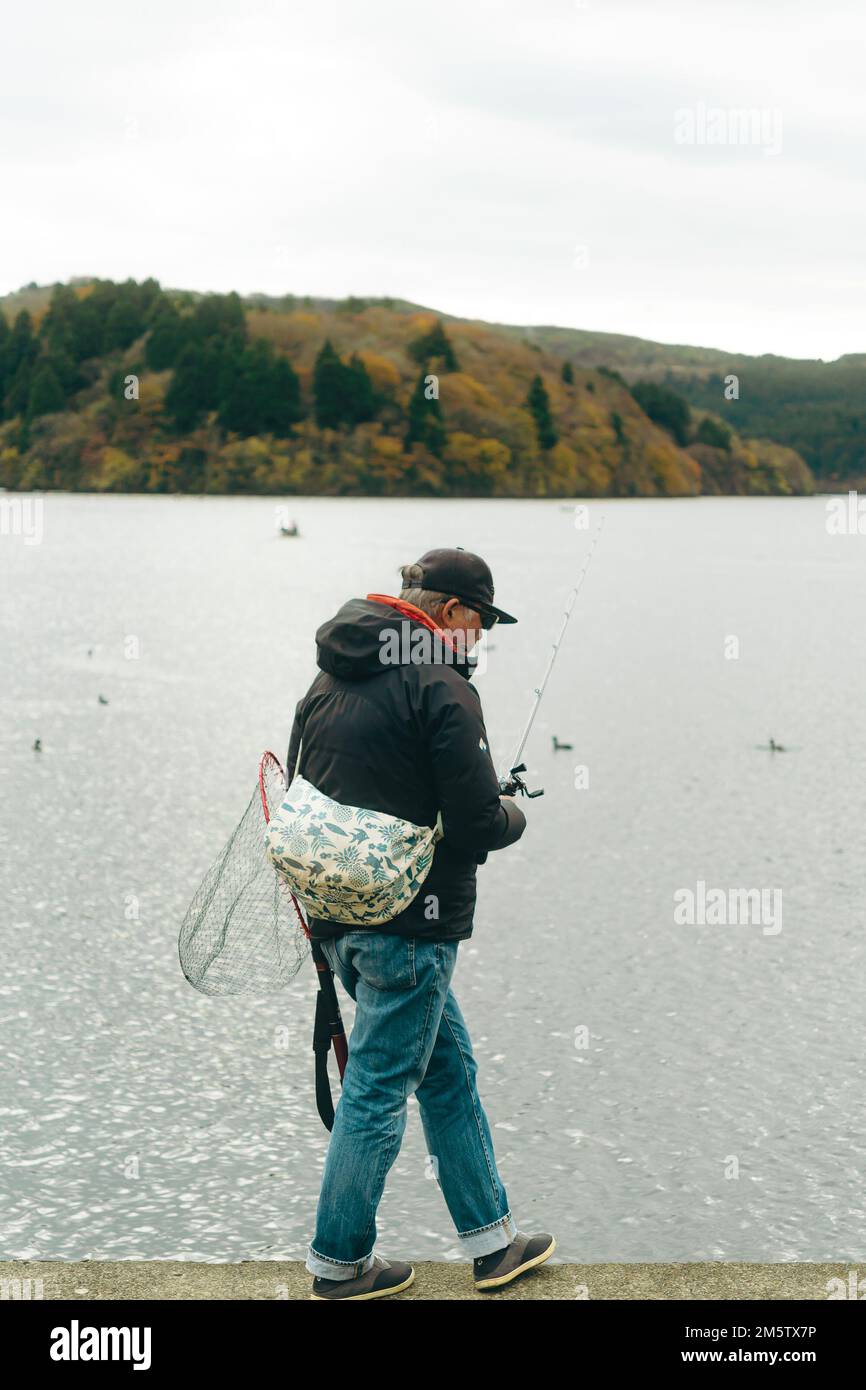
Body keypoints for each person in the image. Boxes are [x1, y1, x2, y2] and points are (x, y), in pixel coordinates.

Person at [286, 547, 555, 1300]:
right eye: (480, 622)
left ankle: (493, 1244)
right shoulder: (442, 687)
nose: (482, 639)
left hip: (341, 922)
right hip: (411, 931)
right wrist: (514, 814)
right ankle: (338, 1265)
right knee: (377, 1086)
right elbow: (473, 823)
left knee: (447, 1072)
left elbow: (319, 797)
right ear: (446, 612)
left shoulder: (331, 676)